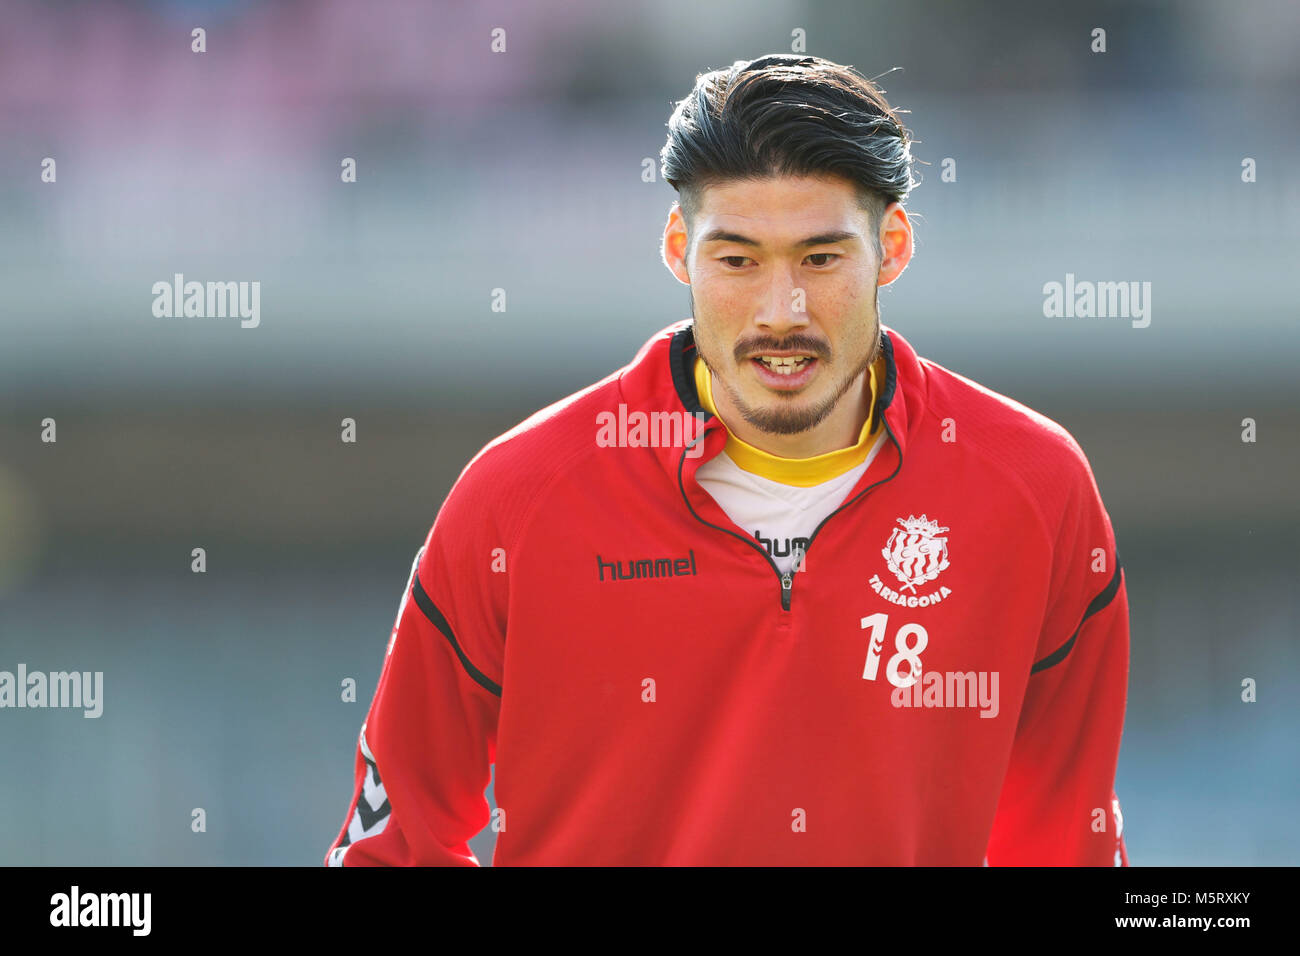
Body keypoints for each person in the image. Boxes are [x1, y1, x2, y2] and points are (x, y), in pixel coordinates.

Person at [325, 53, 1130, 866]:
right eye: (737, 260)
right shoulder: (517, 499)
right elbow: (393, 844)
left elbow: (1065, 844)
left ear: (892, 247)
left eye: (821, 259)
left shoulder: (1034, 489)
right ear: (679, 249)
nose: (781, 313)